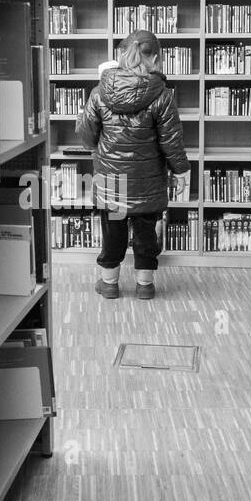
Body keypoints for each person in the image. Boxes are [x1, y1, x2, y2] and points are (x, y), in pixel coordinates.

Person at [76, 29, 189, 300]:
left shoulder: (100, 91)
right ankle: (145, 286)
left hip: (110, 180)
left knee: (112, 233)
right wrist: (182, 171)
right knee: (145, 235)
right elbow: (171, 141)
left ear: (120, 55)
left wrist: (98, 148)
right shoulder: (162, 94)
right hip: (147, 181)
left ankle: (109, 284)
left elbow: (86, 135)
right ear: (157, 58)